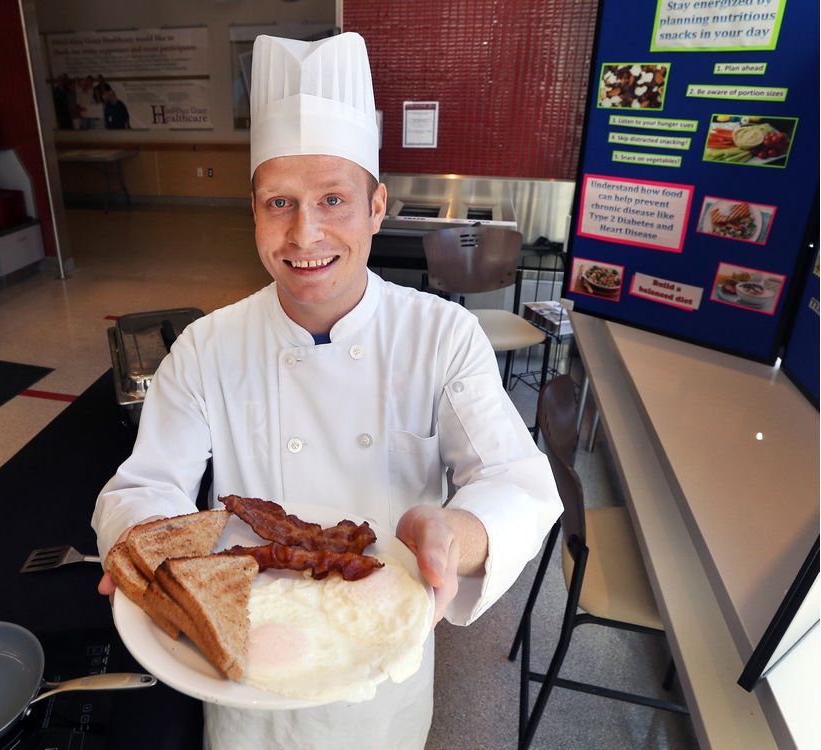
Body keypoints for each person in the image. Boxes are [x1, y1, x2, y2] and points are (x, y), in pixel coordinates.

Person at [92, 32, 561, 750]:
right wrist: (143, 542)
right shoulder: (208, 346)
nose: (303, 233)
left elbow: (515, 481)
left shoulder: (441, 337)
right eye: (279, 202)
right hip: (246, 661)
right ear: (252, 212)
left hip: (383, 663)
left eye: (333, 199)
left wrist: (454, 534)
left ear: (377, 206)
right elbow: (147, 482)